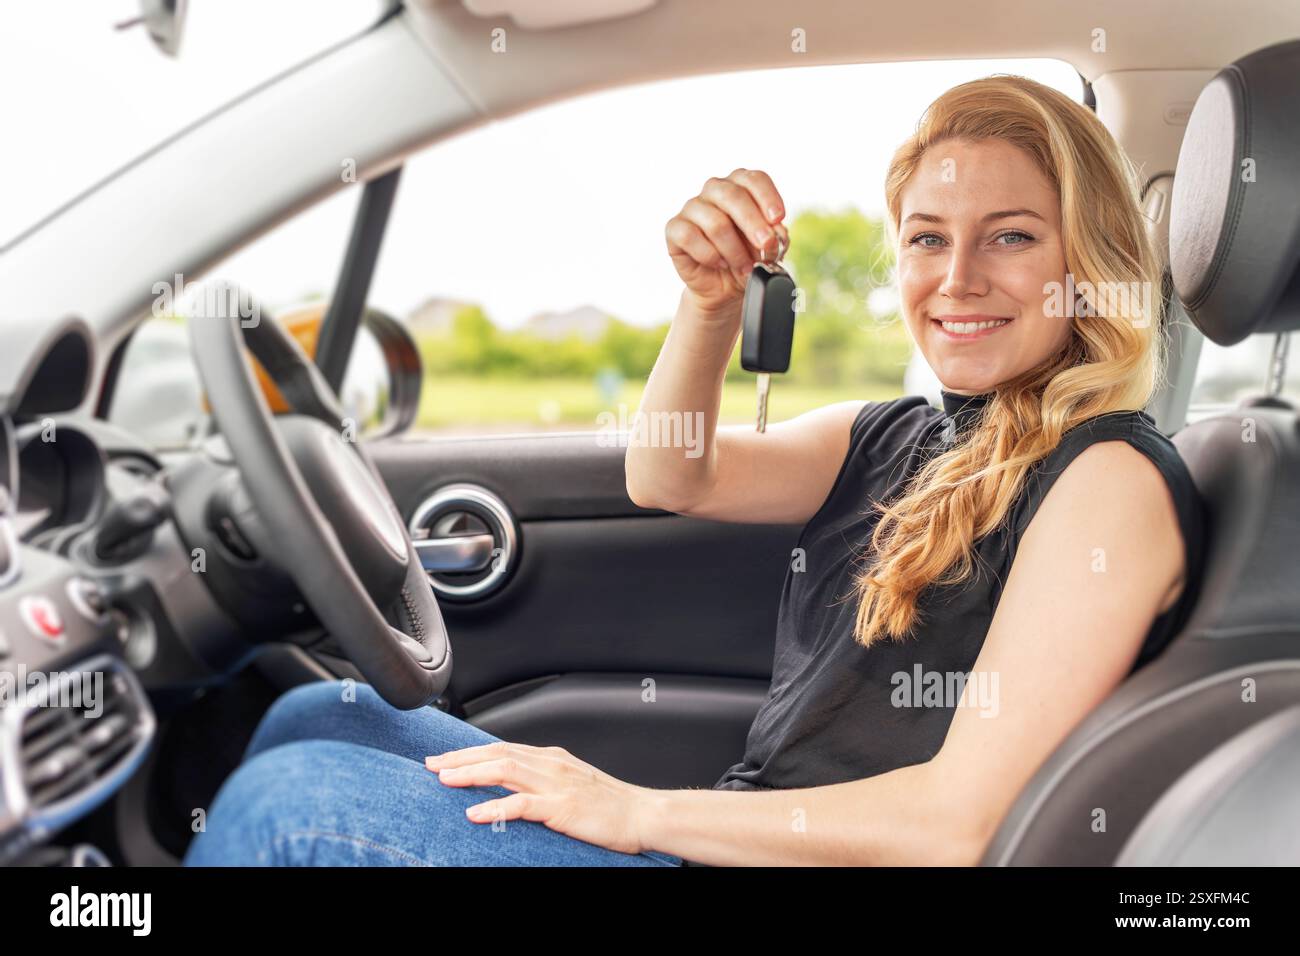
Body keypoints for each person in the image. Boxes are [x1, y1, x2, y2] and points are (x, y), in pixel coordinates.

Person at [183, 74, 1206, 867]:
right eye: (926, 238)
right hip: (739, 837)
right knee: (324, 712)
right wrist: (710, 306)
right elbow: (672, 476)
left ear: (1089, 257)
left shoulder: (1104, 477)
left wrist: (632, 809)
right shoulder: (900, 432)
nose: (956, 277)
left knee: (292, 809)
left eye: (1012, 237)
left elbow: (958, 823)